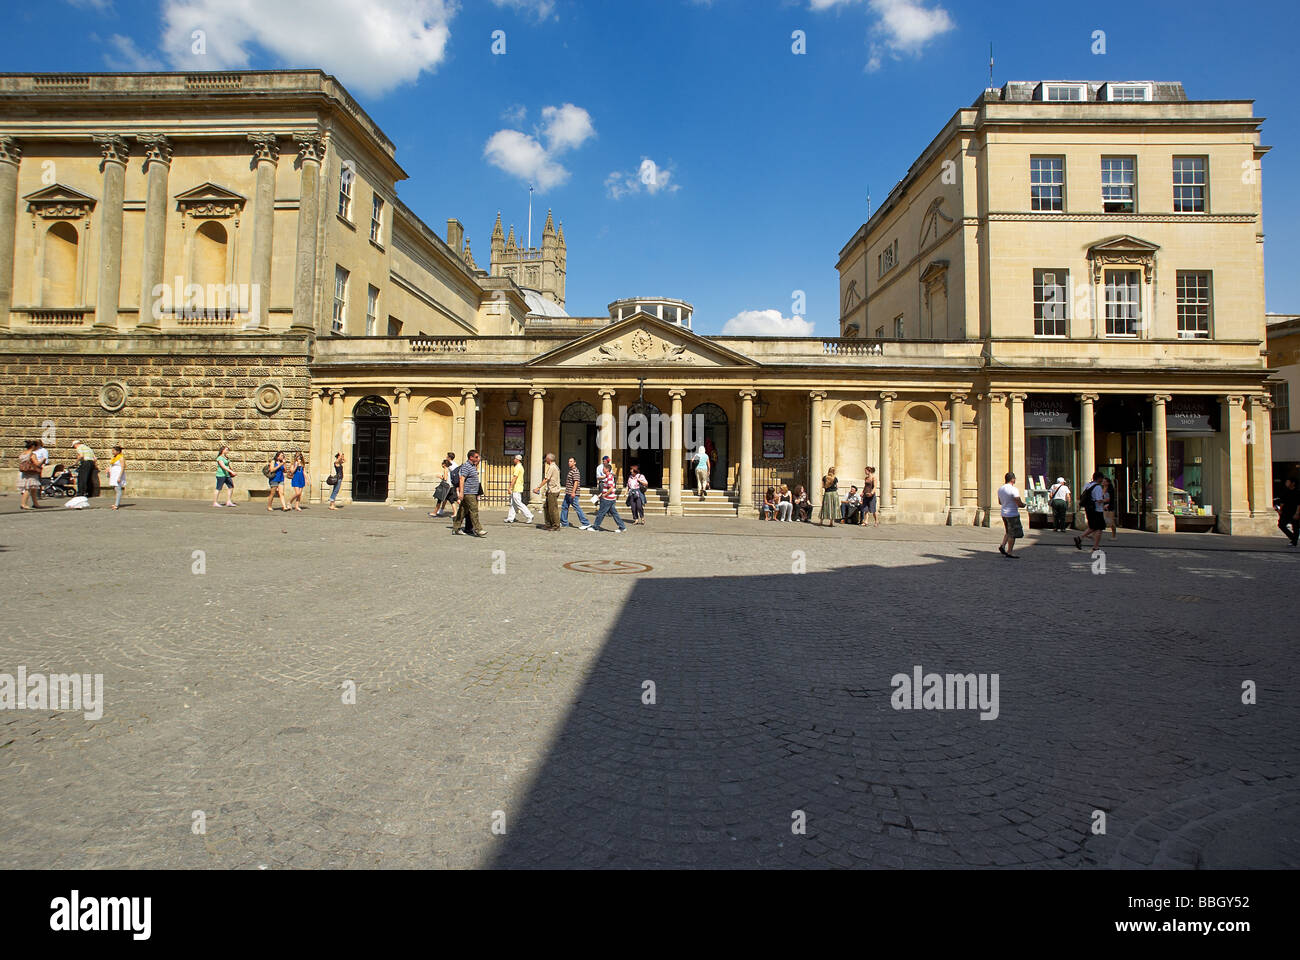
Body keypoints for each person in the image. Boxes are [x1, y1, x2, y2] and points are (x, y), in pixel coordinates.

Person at [1074, 471, 1108, 552]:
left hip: (1089, 509)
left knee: (1093, 527)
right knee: (1099, 528)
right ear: (1099, 478)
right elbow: (1099, 500)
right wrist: (1106, 500)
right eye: (1102, 478)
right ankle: (1095, 547)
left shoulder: (1088, 485)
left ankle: (1080, 538)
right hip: (1097, 510)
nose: (1103, 480)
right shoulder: (1098, 487)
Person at [454, 449, 486, 537]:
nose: (478, 458)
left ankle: (456, 528)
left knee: (462, 511)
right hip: (468, 492)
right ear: (471, 457)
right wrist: (461, 492)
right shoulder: (466, 466)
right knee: (474, 510)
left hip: (473, 492)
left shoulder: (473, 466)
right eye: (476, 457)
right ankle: (478, 529)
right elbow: (462, 479)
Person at [591, 461, 627, 533]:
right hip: (611, 498)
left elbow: (611, 488)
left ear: (607, 469)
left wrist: (605, 494)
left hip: (608, 499)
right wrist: (601, 494)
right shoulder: (608, 476)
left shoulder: (609, 477)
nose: (602, 469)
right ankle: (622, 527)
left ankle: (596, 527)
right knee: (614, 513)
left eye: (604, 468)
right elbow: (607, 488)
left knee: (601, 512)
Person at [998, 471, 1026, 558]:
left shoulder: (1000, 489)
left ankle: (1002, 545)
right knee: (1013, 534)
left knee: (1008, 531)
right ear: (1013, 479)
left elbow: (1000, 502)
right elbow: (1018, 502)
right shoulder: (1014, 489)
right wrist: (1023, 505)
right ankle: (1009, 552)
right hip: (1012, 514)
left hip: (1004, 513)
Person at [560, 457, 593, 530]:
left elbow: (576, 482)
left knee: (577, 508)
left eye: (571, 461)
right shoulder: (571, 470)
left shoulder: (575, 471)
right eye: (569, 461)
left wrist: (573, 492)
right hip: (568, 493)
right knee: (564, 507)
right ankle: (564, 522)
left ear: (574, 462)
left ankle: (585, 523)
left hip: (572, 493)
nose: (569, 462)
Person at [534, 452, 563, 531]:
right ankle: (548, 524)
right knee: (546, 507)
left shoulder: (552, 467)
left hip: (553, 491)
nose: (545, 459)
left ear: (549, 459)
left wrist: (538, 487)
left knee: (553, 509)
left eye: (546, 458)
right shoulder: (554, 466)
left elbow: (546, 479)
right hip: (550, 490)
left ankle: (556, 525)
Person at [505, 453, 535, 524]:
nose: (513, 460)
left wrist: (510, 487)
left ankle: (529, 515)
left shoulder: (517, 467)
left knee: (518, 503)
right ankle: (510, 518)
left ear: (517, 460)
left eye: (514, 459)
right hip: (517, 487)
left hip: (517, 488)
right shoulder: (520, 467)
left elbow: (514, 478)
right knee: (513, 503)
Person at [18, 440, 42, 510]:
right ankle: (23, 504)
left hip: (25, 472)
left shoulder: (23, 453)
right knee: (28, 489)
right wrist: (43, 460)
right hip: (31, 473)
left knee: (33, 489)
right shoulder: (32, 454)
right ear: (33, 446)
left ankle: (35, 503)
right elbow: (37, 463)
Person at [1277, 475, 1299, 547]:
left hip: (1294, 511)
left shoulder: (1297, 492)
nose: (1286, 483)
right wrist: (1280, 509)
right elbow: (1282, 501)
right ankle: (1293, 538)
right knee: (1281, 525)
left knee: (1295, 527)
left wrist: (1297, 513)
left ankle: (1294, 542)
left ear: (1293, 483)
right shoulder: (1285, 491)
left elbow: (1299, 504)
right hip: (1286, 511)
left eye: (1288, 482)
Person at [107, 446, 126, 510]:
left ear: (118, 451)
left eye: (113, 451)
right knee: (116, 489)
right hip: (114, 475)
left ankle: (116, 505)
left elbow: (123, 467)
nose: (112, 452)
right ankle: (116, 503)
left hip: (118, 475)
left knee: (118, 489)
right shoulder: (115, 458)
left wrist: (119, 477)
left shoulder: (121, 458)